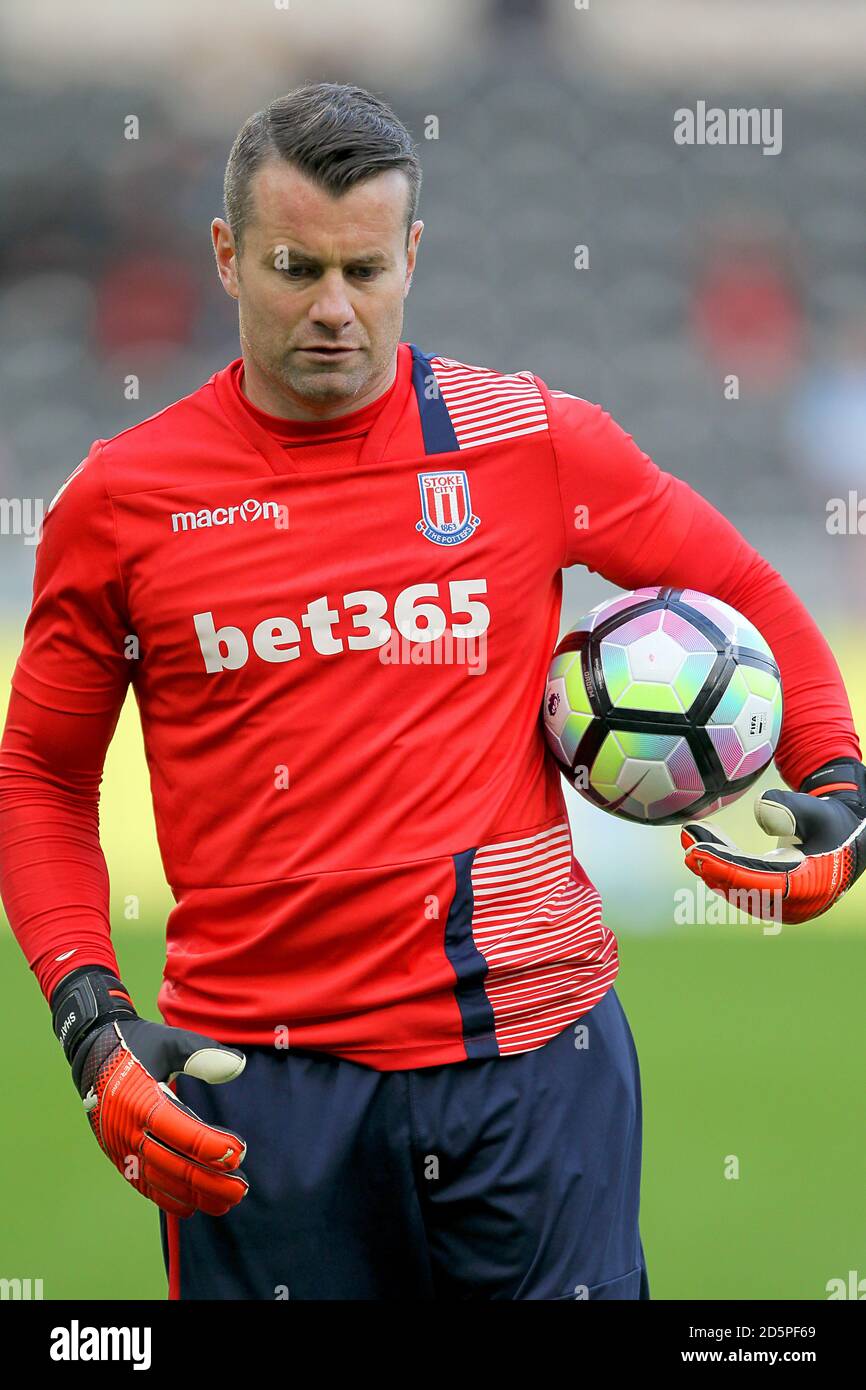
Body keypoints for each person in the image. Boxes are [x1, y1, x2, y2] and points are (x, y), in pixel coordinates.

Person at [1, 82, 864, 1302]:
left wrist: (837, 775)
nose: (335, 309)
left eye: (366, 268)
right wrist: (90, 1020)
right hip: (255, 1084)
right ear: (226, 256)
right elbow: (41, 771)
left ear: (411, 254)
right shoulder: (123, 499)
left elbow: (736, 581)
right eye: (297, 267)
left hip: (533, 1064)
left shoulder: (525, 440)